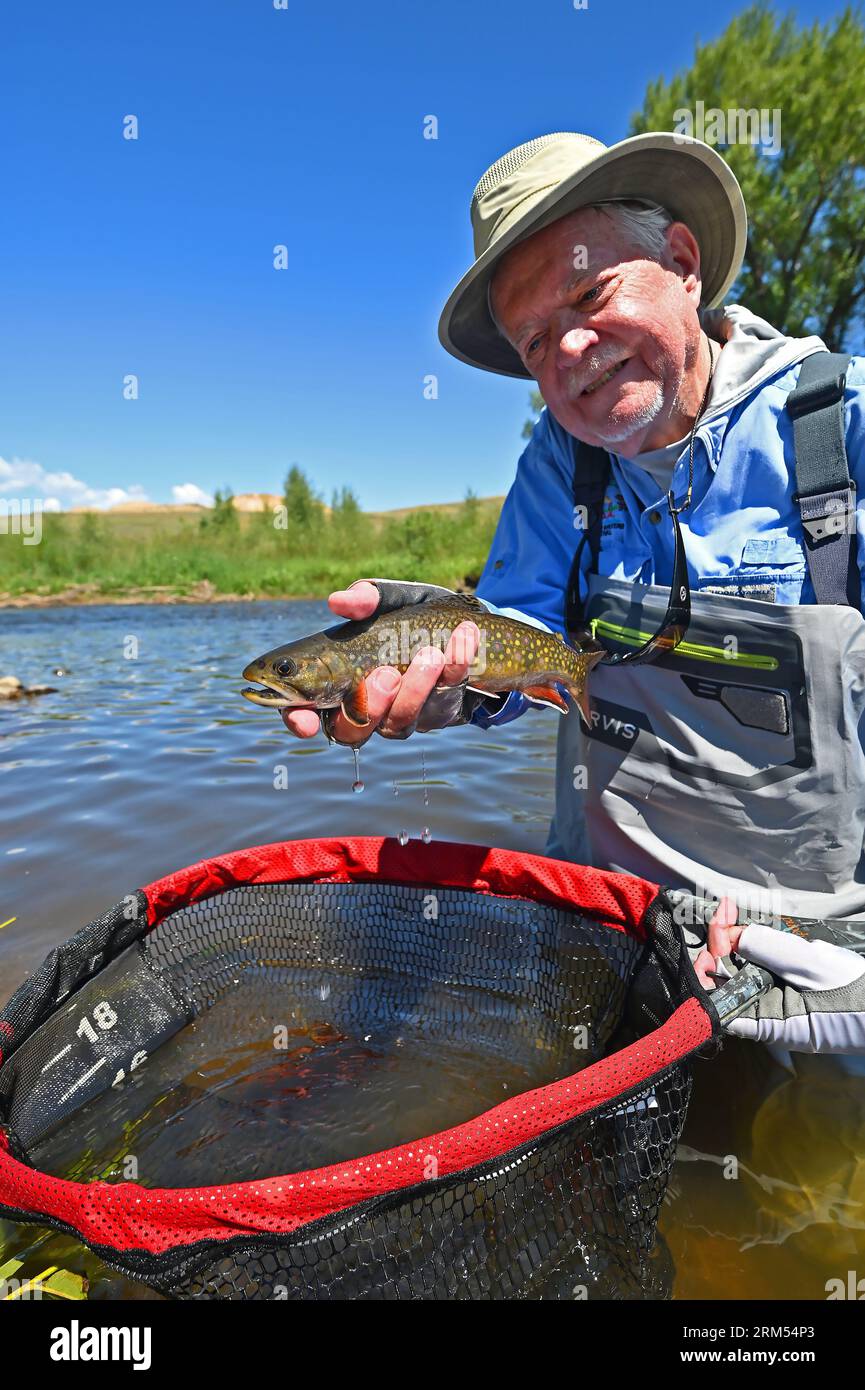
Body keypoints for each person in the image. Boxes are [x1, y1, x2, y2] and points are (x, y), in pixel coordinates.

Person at [283, 131, 865, 1053]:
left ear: (682, 262)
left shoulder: (841, 427)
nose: (573, 351)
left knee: (798, 1190)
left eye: (589, 295)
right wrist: (437, 664)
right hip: (605, 924)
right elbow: (516, 632)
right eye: (537, 340)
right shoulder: (558, 465)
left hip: (818, 954)